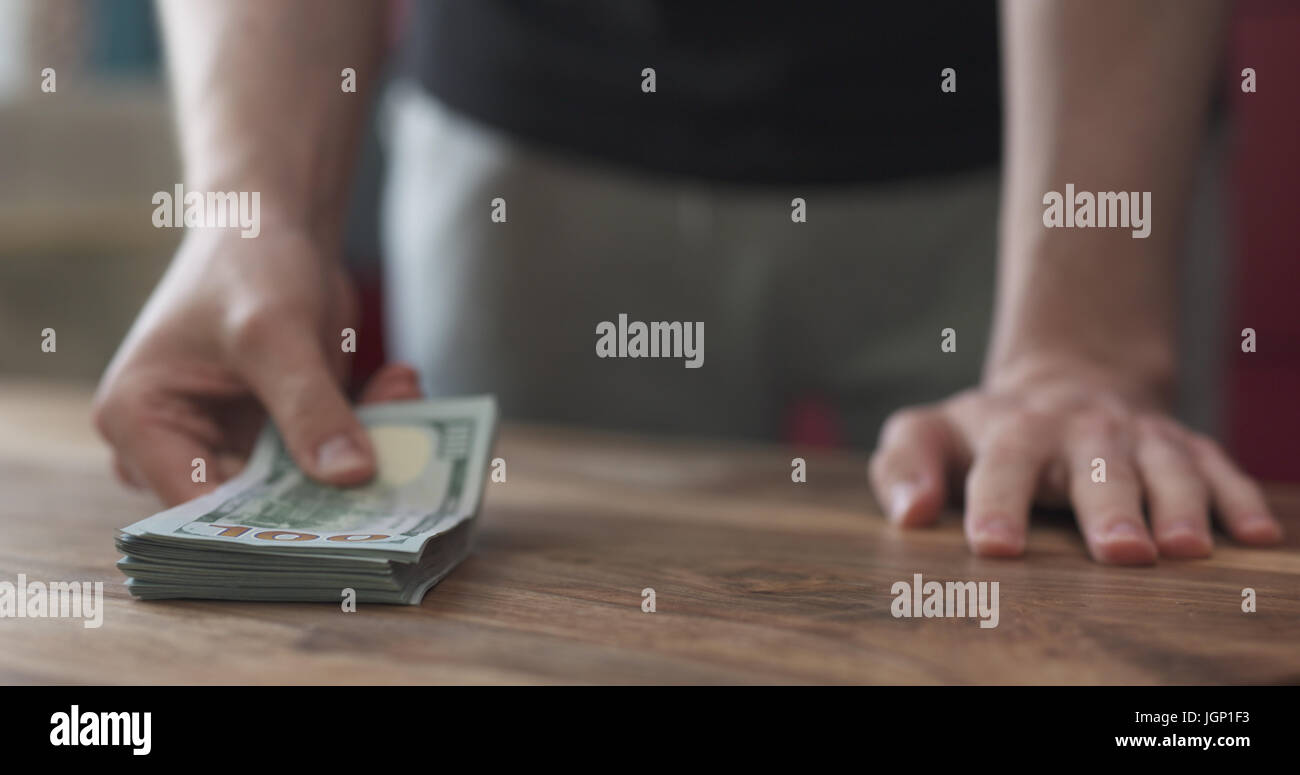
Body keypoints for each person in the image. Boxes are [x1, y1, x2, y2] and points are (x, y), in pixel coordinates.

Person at [94, 0, 1283, 565]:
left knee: (1096, 592)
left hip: (1037, 150)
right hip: (531, 145)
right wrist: (247, 217)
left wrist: (1075, 348)